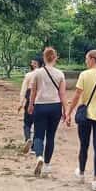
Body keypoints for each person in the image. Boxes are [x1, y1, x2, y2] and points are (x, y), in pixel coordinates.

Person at [67, 49, 96, 191]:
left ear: (92, 59)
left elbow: (76, 96)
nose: (86, 61)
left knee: (84, 145)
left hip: (86, 115)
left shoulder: (84, 75)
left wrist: (69, 112)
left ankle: (81, 173)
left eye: (87, 59)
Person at [27, 47, 67, 177]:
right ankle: (48, 165)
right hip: (55, 106)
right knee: (51, 136)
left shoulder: (37, 73)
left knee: (39, 134)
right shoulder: (60, 74)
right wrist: (65, 110)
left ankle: (39, 156)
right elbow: (62, 94)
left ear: (44, 58)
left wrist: (31, 105)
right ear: (55, 58)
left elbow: (33, 91)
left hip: (40, 105)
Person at [18, 56, 41, 154]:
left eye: (33, 63)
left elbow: (23, 90)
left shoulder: (28, 75)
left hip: (30, 101)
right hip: (41, 102)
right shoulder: (44, 75)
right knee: (38, 124)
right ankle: (35, 147)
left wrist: (21, 103)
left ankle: (28, 139)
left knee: (27, 123)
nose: (32, 64)